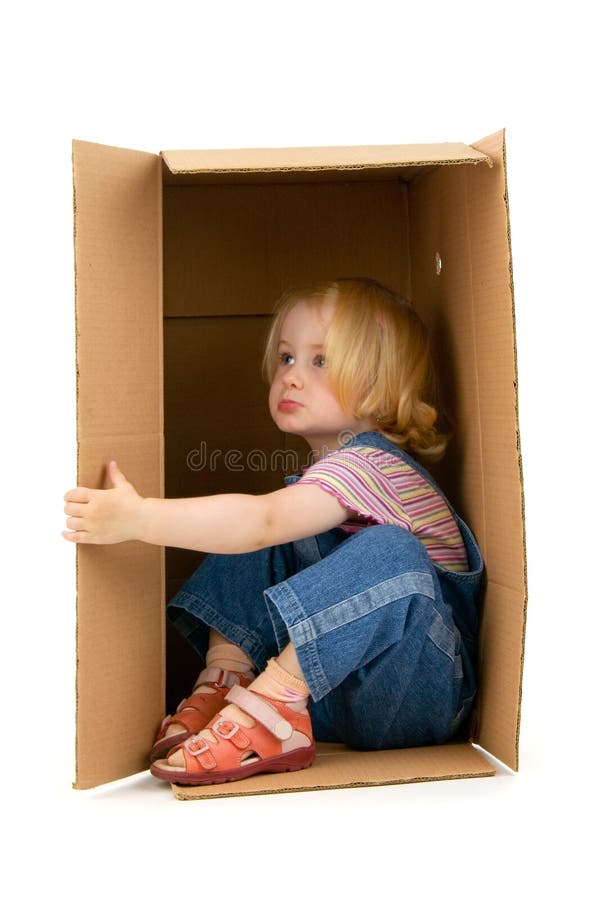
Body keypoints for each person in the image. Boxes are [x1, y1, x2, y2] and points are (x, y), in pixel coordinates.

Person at [63, 276, 483, 787]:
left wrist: (138, 517)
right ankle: (227, 679)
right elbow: (261, 524)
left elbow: (259, 522)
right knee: (265, 526)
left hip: (417, 695)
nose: (292, 377)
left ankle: (270, 703)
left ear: (379, 387)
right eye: (286, 358)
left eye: (320, 361)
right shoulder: (324, 483)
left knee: (362, 544)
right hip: (332, 699)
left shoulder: (375, 467)